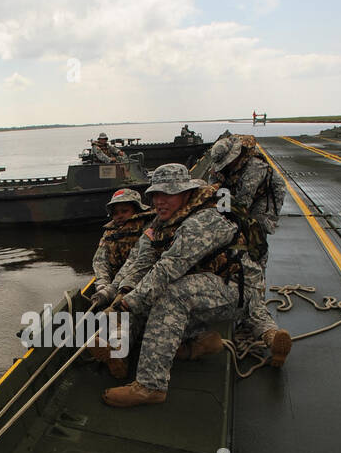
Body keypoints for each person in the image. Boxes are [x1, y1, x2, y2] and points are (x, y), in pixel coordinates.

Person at [96, 164, 291, 408]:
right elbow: (143, 259)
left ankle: (150, 386)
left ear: (186, 193)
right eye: (155, 195)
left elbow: (167, 269)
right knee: (151, 304)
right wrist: (120, 291)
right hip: (210, 284)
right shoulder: (162, 221)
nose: (159, 201)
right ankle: (199, 345)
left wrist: (124, 306)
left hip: (234, 288)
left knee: (170, 294)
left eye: (168, 194)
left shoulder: (204, 221)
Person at [200, 133, 284, 265]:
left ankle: (258, 264)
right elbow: (213, 189)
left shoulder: (254, 168)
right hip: (240, 190)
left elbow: (242, 205)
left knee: (256, 226)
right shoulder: (221, 166)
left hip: (265, 194)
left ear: (234, 156)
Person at [91, 189, 153, 307]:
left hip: (141, 281)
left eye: (124, 211)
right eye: (115, 213)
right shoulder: (109, 233)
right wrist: (102, 284)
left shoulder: (149, 227)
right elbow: (99, 261)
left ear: (137, 209)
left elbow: (136, 260)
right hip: (114, 284)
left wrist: (113, 288)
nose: (119, 216)